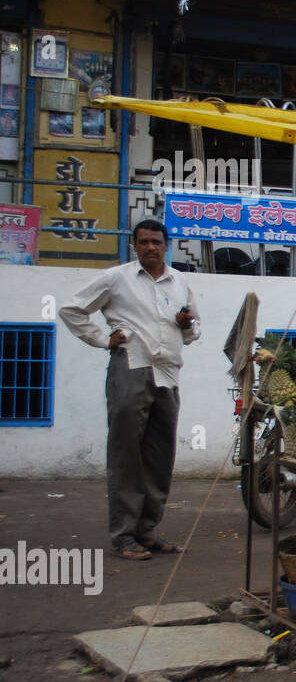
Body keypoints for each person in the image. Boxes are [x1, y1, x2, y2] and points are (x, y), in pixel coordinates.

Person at [60, 219, 200, 560]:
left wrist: (186, 325)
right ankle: (124, 536)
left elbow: (194, 330)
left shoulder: (180, 282)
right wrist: (101, 339)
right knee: (126, 455)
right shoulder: (116, 278)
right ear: (134, 246)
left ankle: (148, 531)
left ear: (167, 245)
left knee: (159, 455)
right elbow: (71, 310)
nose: (150, 247)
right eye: (143, 242)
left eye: (156, 242)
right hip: (131, 368)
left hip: (168, 374)